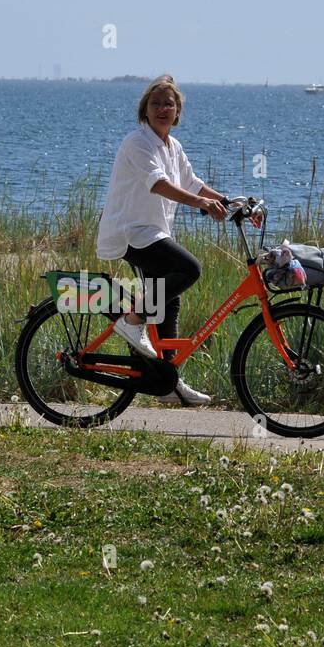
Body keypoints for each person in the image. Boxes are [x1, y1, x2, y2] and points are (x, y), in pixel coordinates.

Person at [95, 74, 227, 406]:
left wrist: (230, 203)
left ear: (178, 109)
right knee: (189, 269)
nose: (162, 109)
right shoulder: (137, 143)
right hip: (131, 233)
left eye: (169, 103)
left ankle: (168, 382)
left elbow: (192, 183)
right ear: (145, 110)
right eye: (155, 104)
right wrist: (200, 204)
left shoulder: (172, 146)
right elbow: (157, 183)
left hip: (152, 233)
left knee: (169, 302)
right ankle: (132, 321)